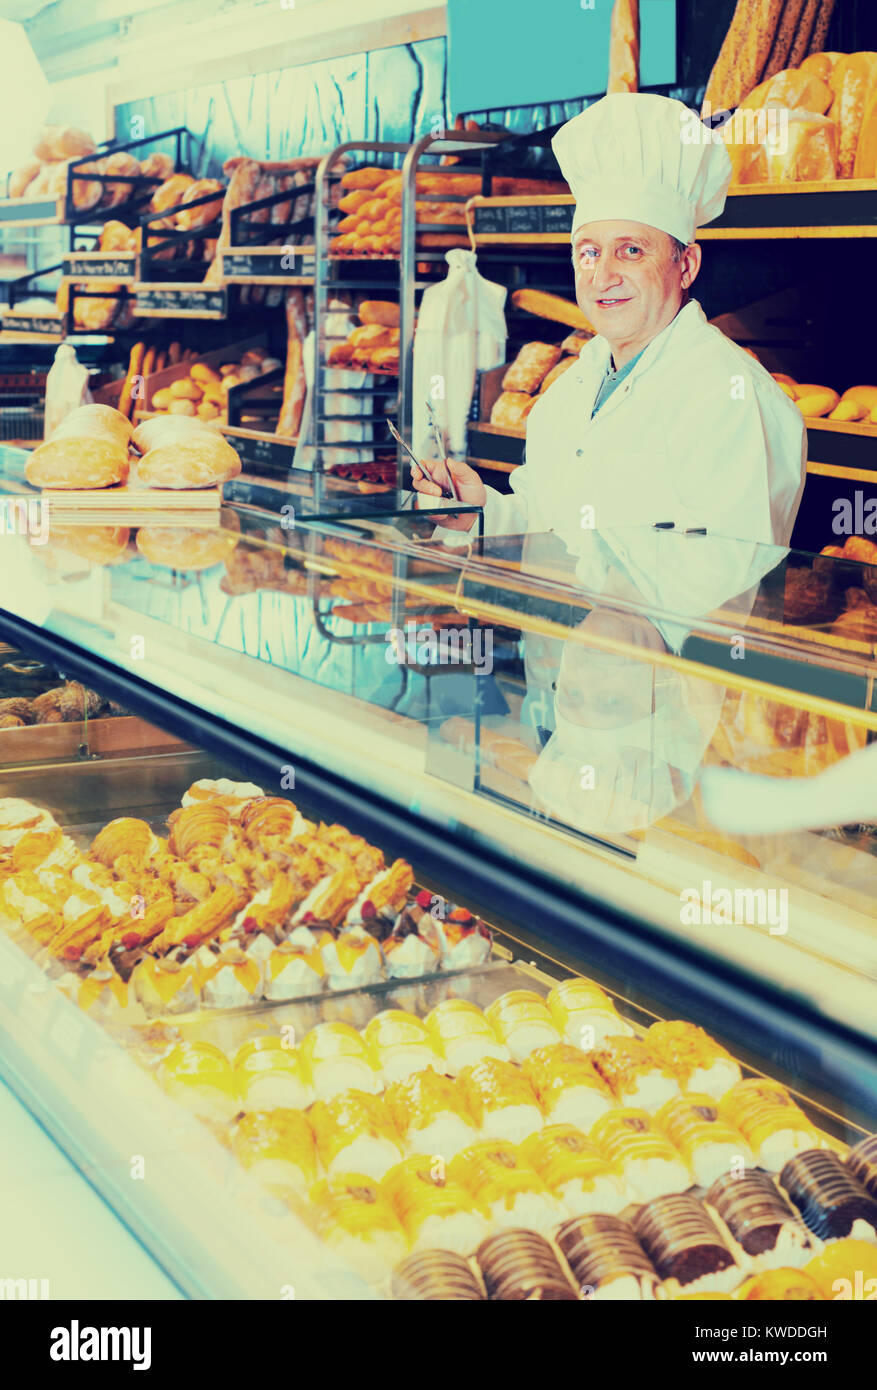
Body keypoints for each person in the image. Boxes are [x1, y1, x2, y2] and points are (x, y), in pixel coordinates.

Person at [413, 93, 806, 551]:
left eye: (631, 250)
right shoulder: (571, 389)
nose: (603, 277)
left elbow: (730, 575)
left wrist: (622, 613)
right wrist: (480, 513)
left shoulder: (732, 398)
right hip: (559, 621)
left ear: (687, 265)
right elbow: (548, 523)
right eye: (589, 253)